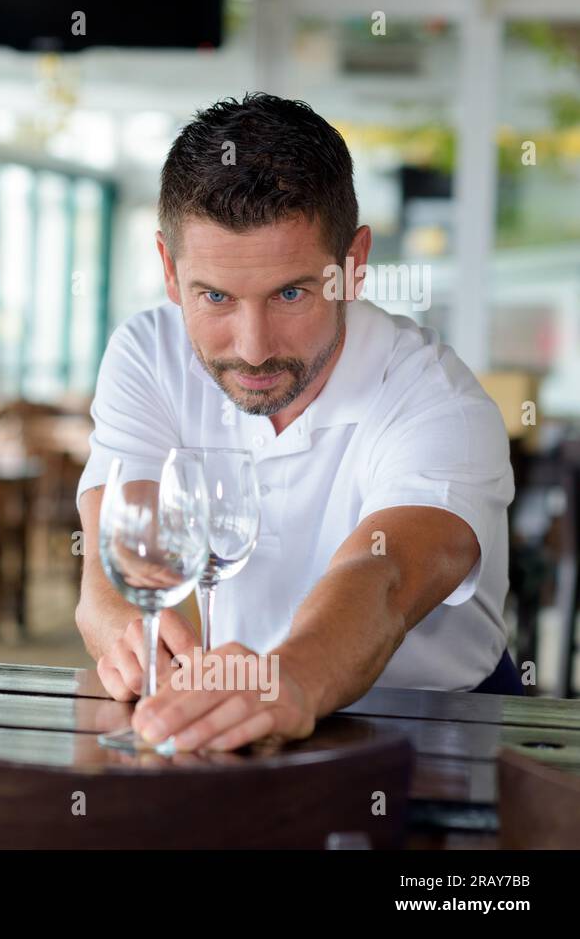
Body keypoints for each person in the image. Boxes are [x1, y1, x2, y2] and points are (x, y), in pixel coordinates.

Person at [74, 92, 517, 755]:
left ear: (353, 264)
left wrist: (291, 679)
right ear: (169, 269)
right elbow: (121, 549)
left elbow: (386, 578)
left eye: (290, 293)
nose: (252, 347)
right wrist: (138, 634)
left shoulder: (437, 400)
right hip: (231, 725)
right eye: (216, 296)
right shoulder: (147, 354)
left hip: (435, 735)